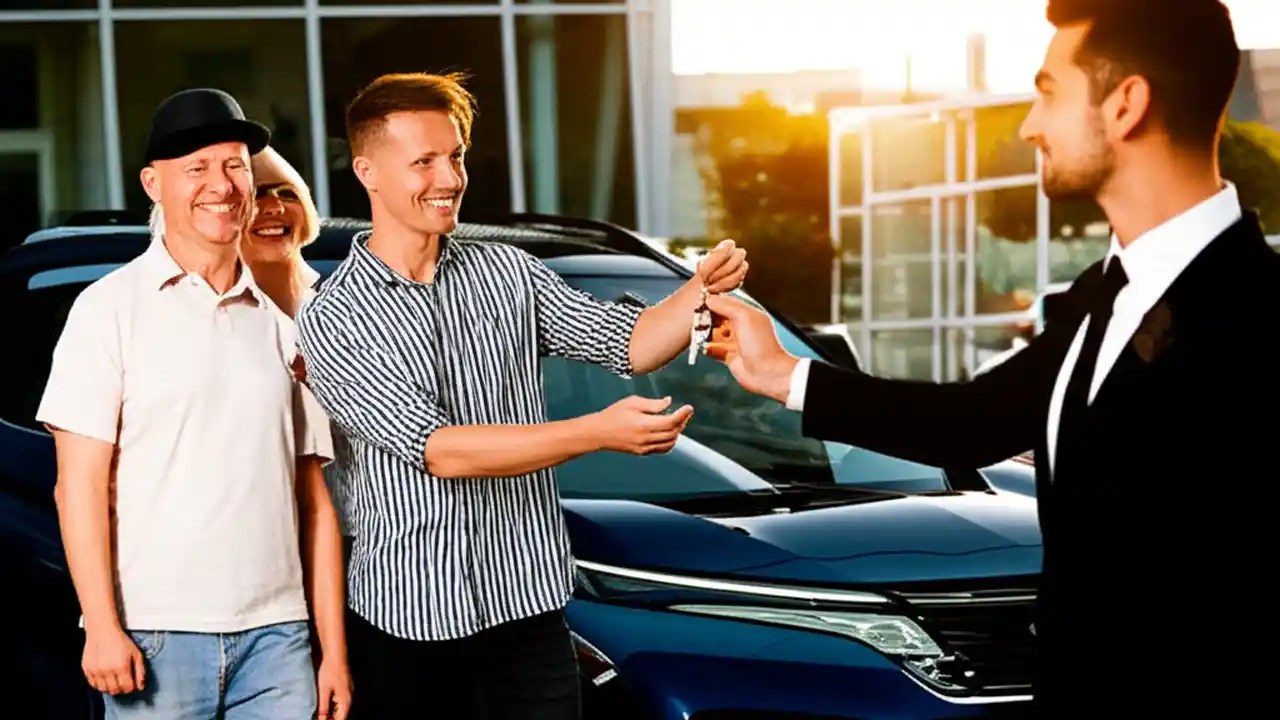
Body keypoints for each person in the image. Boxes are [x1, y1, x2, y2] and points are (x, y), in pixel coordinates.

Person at [701, 0, 1279, 714]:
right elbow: (972, 422)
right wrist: (782, 373)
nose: (1030, 126)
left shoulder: (1257, 319)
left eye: (1048, 92)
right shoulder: (1100, 295)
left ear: (1127, 104)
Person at [295, 71, 748, 719]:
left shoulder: (508, 273)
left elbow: (630, 342)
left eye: (454, 156)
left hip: (526, 610)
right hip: (409, 623)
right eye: (423, 161)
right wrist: (596, 432)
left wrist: (699, 288)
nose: (448, 178)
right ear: (368, 171)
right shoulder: (334, 317)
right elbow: (438, 450)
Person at [37, 88, 348, 719]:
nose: (222, 185)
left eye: (235, 165)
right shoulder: (108, 309)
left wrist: (332, 652)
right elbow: (78, 487)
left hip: (280, 642)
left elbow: (312, 502)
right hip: (157, 634)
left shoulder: (281, 326)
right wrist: (100, 625)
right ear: (154, 184)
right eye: (196, 169)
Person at [242, 145, 354, 720]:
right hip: (268, 571)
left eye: (287, 192)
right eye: (257, 193)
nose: (273, 207)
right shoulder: (216, 316)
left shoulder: (347, 305)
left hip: (369, 559)